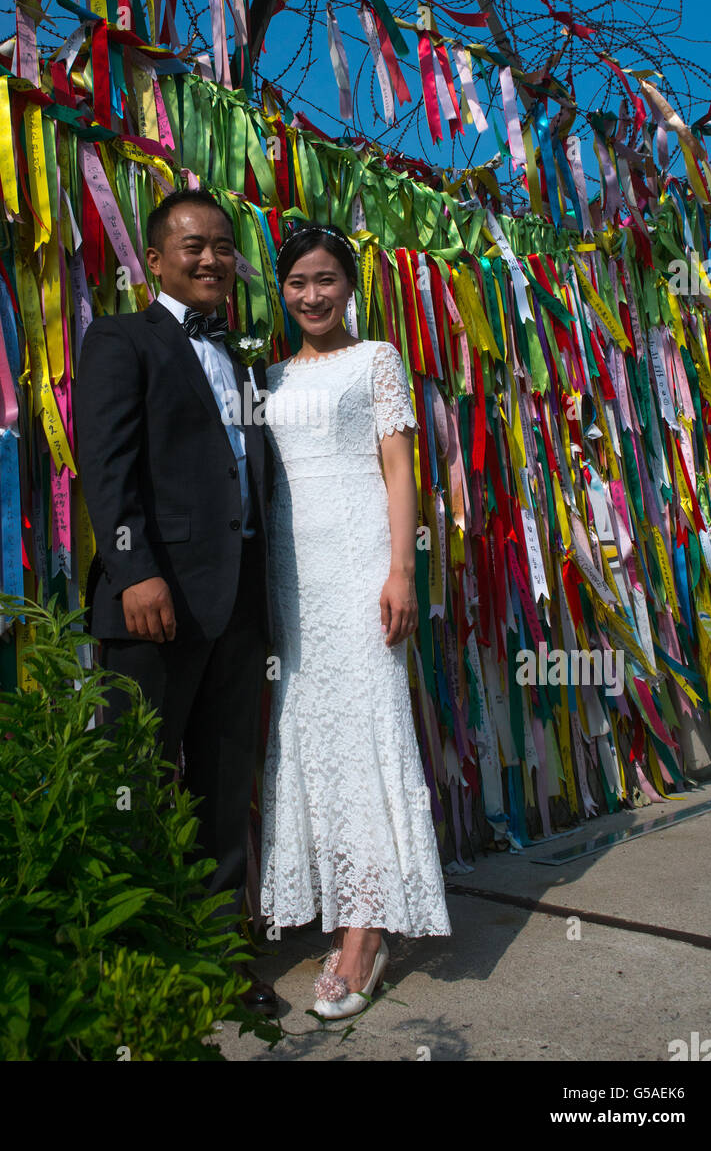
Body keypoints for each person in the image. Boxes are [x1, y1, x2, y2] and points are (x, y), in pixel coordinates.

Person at [73, 187, 277, 1016]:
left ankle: (220, 960)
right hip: (153, 601)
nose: (210, 259)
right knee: (135, 785)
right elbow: (106, 466)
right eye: (193, 246)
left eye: (223, 247)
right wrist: (136, 574)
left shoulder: (242, 358)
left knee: (224, 789)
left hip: (238, 607)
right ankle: (131, 965)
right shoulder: (122, 339)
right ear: (153, 259)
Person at [259, 223, 451, 1019]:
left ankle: (362, 939)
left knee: (367, 730)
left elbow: (401, 466)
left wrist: (402, 569)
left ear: (348, 286)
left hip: (363, 565)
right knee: (309, 733)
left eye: (326, 280)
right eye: (298, 282)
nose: (312, 295)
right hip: (289, 575)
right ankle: (336, 903)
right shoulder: (262, 374)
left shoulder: (376, 359)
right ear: (281, 288)